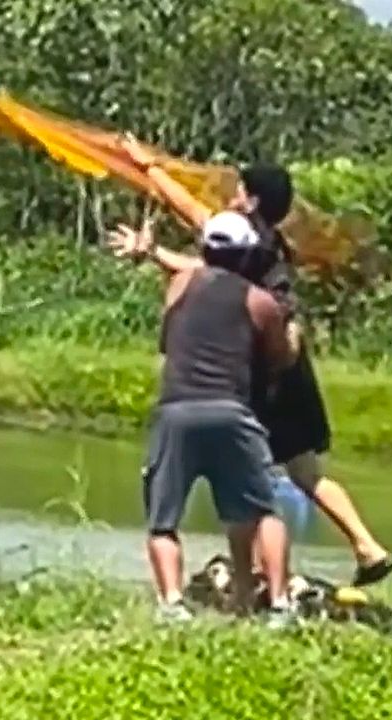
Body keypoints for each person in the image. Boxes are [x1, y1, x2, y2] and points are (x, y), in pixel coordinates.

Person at [112, 135, 392, 588]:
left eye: (241, 190)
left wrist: (150, 169)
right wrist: (152, 253)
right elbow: (204, 267)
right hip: (290, 364)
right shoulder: (270, 244)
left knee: (248, 478)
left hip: (260, 367)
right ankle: (366, 546)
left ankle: (259, 578)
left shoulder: (246, 238)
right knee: (303, 468)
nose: (233, 195)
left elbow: (192, 222)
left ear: (254, 200)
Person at [111, 209, 298, 628]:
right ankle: (281, 605)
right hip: (233, 413)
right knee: (263, 508)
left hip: (177, 410)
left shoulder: (179, 285)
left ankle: (172, 604)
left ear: (205, 248)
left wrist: (151, 251)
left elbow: (192, 275)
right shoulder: (260, 302)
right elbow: (279, 358)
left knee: (163, 519)